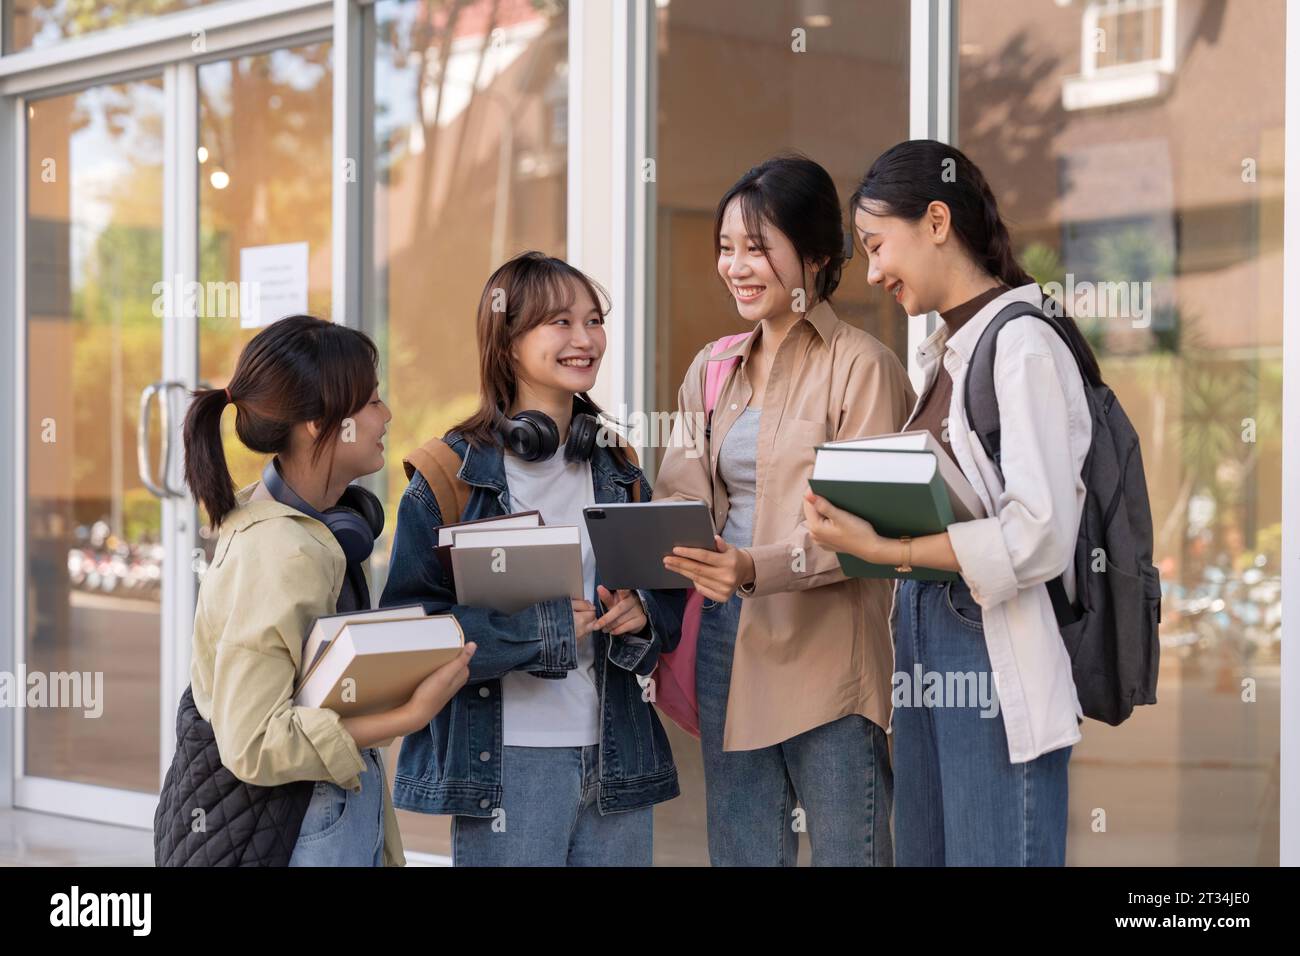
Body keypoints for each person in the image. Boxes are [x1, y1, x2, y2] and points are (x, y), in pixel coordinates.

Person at [805, 139, 1099, 866]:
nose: (871, 272)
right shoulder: (947, 353)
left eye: (878, 246)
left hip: (992, 652)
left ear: (936, 220)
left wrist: (889, 550)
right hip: (929, 641)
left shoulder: (1022, 345)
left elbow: (1040, 534)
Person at [381, 252, 685, 866]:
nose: (585, 339)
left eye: (594, 321)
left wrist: (641, 611)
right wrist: (534, 632)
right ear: (508, 340)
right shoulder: (446, 475)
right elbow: (410, 631)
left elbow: (668, 593)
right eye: (561, 323)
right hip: (508, 766)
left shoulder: (617, 463)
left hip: (618, 757)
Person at [655, 155, 915, 866]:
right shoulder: (712, 367)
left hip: (828, 657)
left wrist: (752, 565)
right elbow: (680, 494)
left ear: (818, 257)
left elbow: (871, 533)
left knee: (847, 854)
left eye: (759, 248)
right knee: (741, 852)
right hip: (725, 642)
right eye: (727, 248)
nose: (737, 266)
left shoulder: (862, 367)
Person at [180, 315, 473, 866]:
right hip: (303, 823)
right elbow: (253, 742)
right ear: (319, 423)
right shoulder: (280, 553)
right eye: (371, 402)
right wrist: (409, 715)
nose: (385, 416)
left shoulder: (305, 527)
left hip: (319, 809)